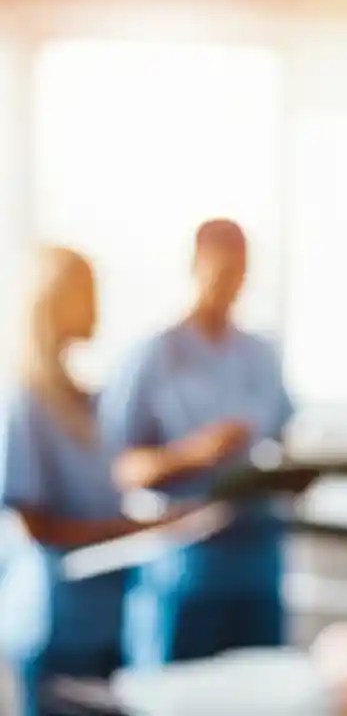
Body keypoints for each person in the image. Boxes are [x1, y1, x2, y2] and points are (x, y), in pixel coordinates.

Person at [99, 218, 294, 666]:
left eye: (240, 274)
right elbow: (119, 469)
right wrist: (195, 453)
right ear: (194, 266)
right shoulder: (153, 356)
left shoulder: (261, 355)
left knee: (261, 692)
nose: (231, 286)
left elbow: (284, 439)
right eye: (221, 272)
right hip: (185, 567)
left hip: (257, 560)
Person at [0, 247, 167, 715]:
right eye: (87, 294)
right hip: (53, 623)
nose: (98, 309)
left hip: (109, 619)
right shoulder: (25, 405)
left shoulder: (92, 403)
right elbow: (36, 526)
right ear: (54, 302)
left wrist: (155, 525)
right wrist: (134, 532)